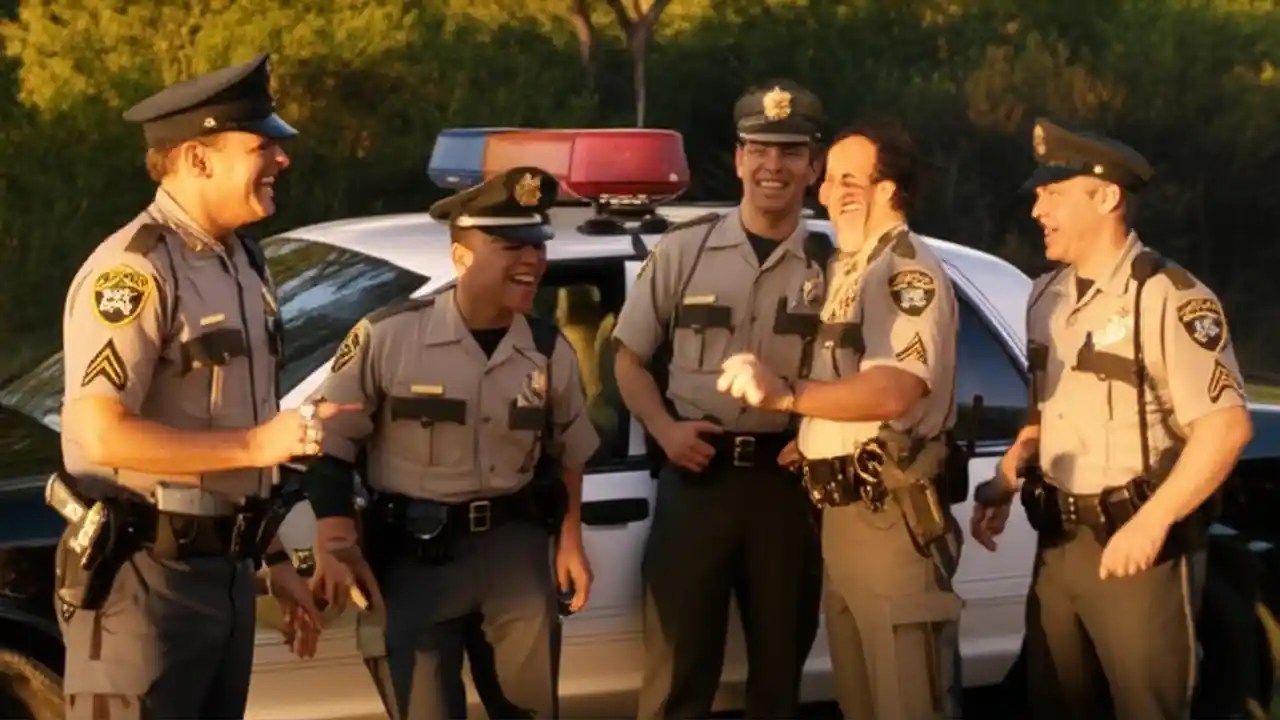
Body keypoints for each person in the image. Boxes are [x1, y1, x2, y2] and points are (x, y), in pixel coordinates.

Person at [53, 53, 336, 719]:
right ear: (196, 159)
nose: (281, 160)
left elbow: (230, 418)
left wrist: (273, 561)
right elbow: (97, 433)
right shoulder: (135, 271)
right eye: (261, 145)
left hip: (226, 578)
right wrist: (256, 447)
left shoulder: (241, 259)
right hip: (145, 583)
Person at [969, 118, 1255, 720]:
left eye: (1053, 193)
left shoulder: (1170, 297)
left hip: (1138, 553)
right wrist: (1008, 474)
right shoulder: (1046, 296)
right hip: (1059, 546)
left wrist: (1150, 525)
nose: (1036, 210)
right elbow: (1049, 411)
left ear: (1106, 196)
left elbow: (1226, 428)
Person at [298, 166, 597, 719]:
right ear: (461, 257)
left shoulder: (548, 349)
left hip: (515, 555)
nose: (531, 261)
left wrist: (571, 541)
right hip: (417, 558)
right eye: (510, 245)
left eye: (537, 245)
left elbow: (567, 450)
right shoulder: (389, 337)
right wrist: (335, 538)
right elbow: (329, 446)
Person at [717, 119, 965, 720]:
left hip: (892, 520)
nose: (827, 193)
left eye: (847, 181)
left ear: (887, 191)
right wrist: (815, 437)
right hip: (846, 514)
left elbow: (894, 390)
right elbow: (849, 378)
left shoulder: (906, 270)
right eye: (827, 182)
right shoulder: (850, 267)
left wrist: (787, 399)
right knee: (861, 702)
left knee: (909, 702)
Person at [612, 78, 828, 719]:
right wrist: (664, 430)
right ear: (738, 159)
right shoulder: (686, 249)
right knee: (678, 674)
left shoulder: (834, 265)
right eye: (759, 149)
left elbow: (853, 372)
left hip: (789, 489)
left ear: (813, 166)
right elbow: (627, 358)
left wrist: (813, 432)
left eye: (791, 152)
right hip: (696, 479)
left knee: (778, 677)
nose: (773, 166)